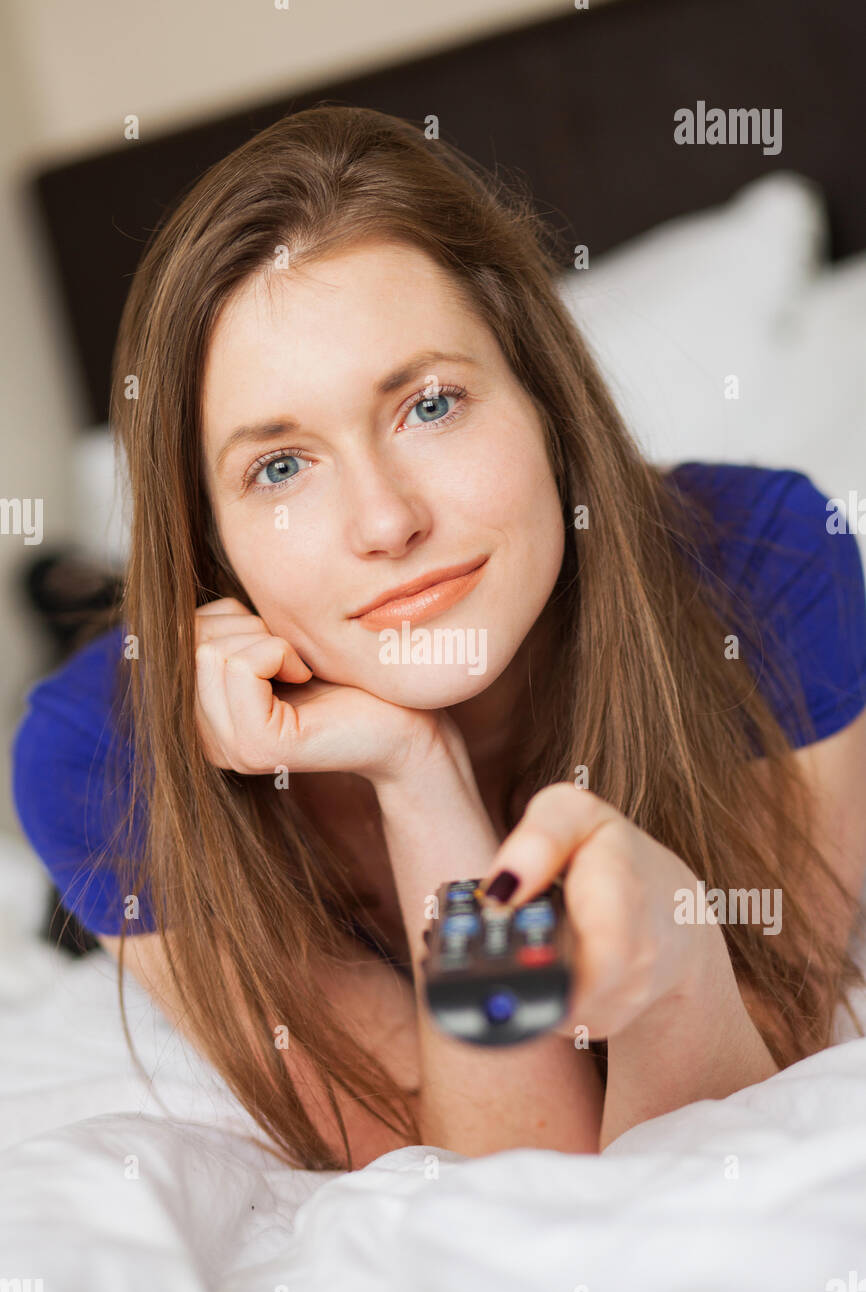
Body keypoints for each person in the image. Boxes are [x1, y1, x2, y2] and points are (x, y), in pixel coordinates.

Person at [12, 106, 866, 1172]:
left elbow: (710, 1158)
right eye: (278, 467)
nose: (385, 522)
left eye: (429, 404)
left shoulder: (770, 568)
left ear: (542, 396)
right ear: (212, 541)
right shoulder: (96, 754)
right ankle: (74, 593)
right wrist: (418, 774)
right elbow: (499, 1176)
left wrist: (681, 964)